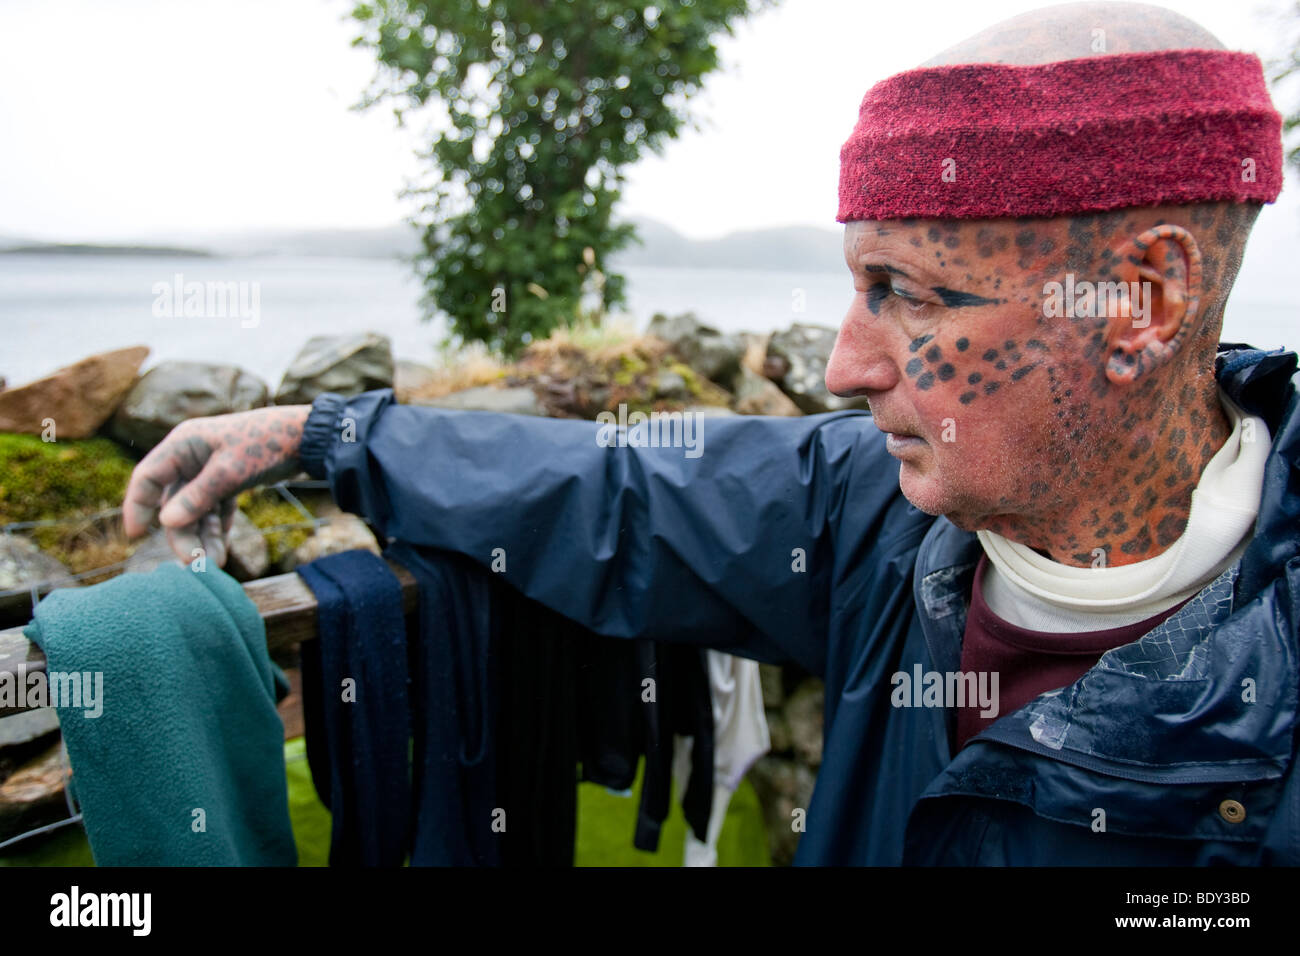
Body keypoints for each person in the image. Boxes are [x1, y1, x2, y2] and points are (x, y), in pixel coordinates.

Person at [122, 2, 1300, 865]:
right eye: (855, 284)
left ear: (1142, 300)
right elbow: (619, 490)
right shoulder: (871, 512)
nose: (846, 364)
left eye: (916, 291)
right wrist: (331, 432)